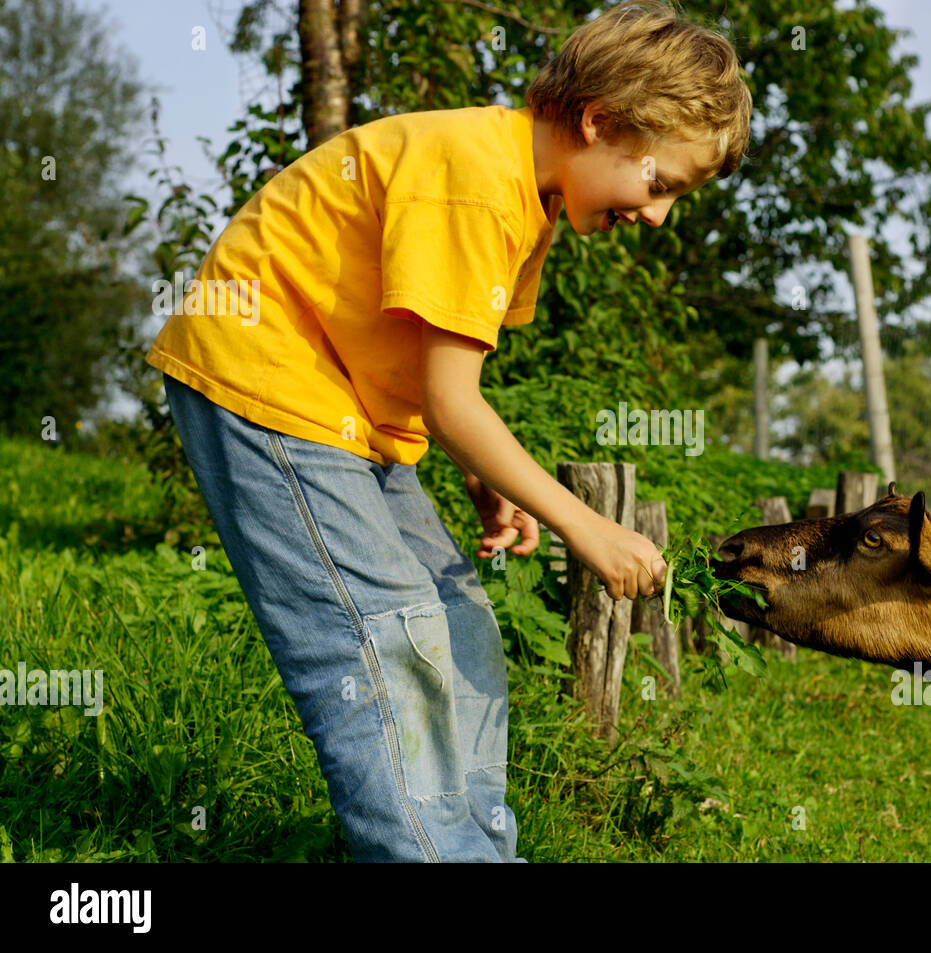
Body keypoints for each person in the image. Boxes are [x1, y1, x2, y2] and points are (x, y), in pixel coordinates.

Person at [145, 0, 751, 862]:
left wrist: (488, 477)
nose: (657, 217)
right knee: (382, 641)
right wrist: (587, 527)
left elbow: (442, 372)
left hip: (350, 405)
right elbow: (451, 402)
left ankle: (471, 847)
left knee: (459, 624)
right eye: (660, 185)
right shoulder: (474, 177)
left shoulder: (524, 198)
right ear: (599, 121)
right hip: (266, 382)